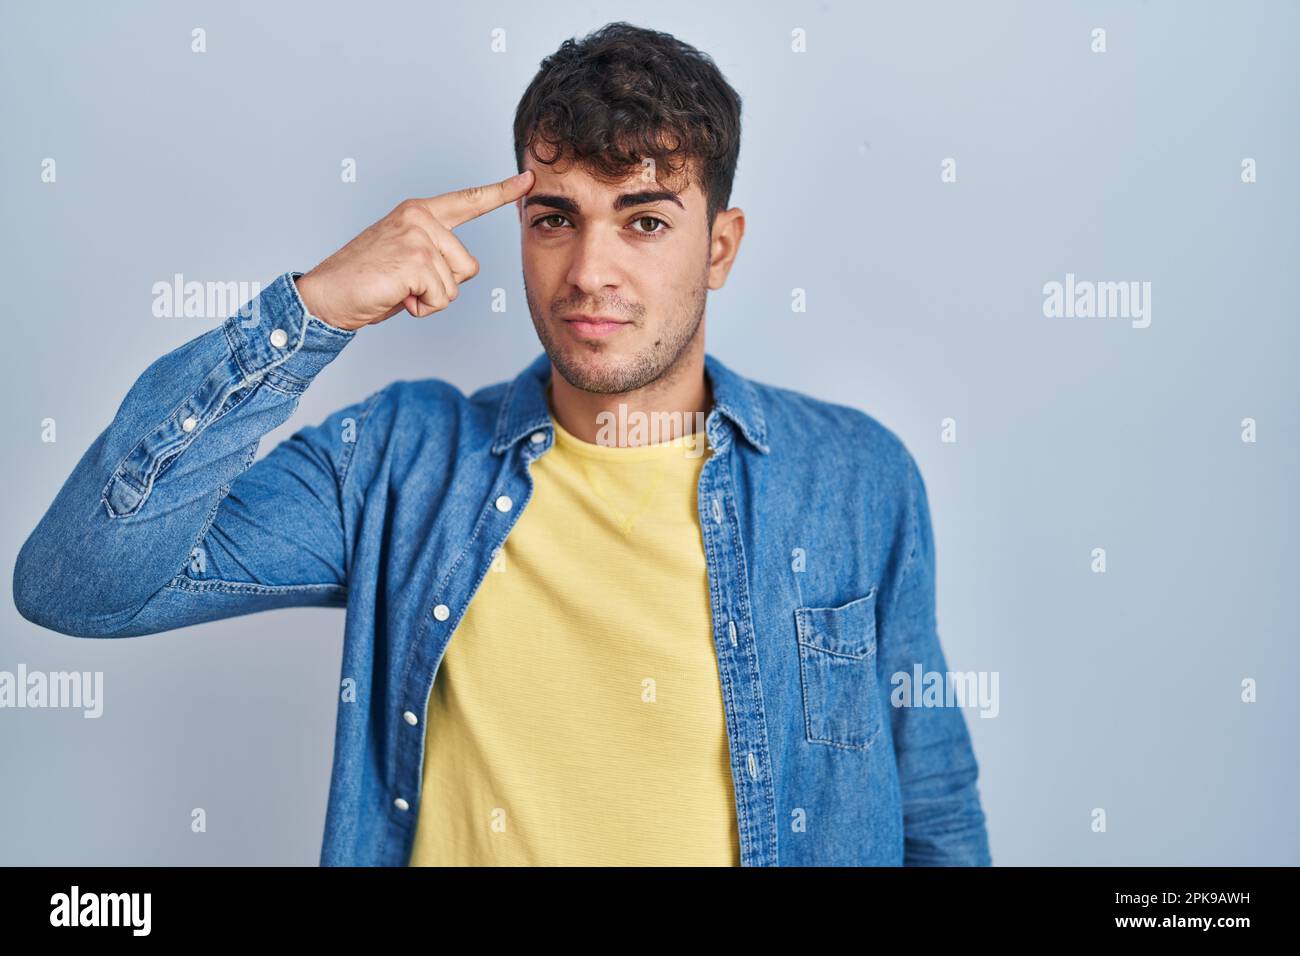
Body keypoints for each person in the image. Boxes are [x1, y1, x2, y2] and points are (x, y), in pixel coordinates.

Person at [13, 21, 991, 867]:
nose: (589, 270)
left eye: (644, 221)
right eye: (555, 219)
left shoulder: (854, 476)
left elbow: (932, 798)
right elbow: (79, 582)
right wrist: (307, 312)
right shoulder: (402, 458)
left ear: (720, 247)